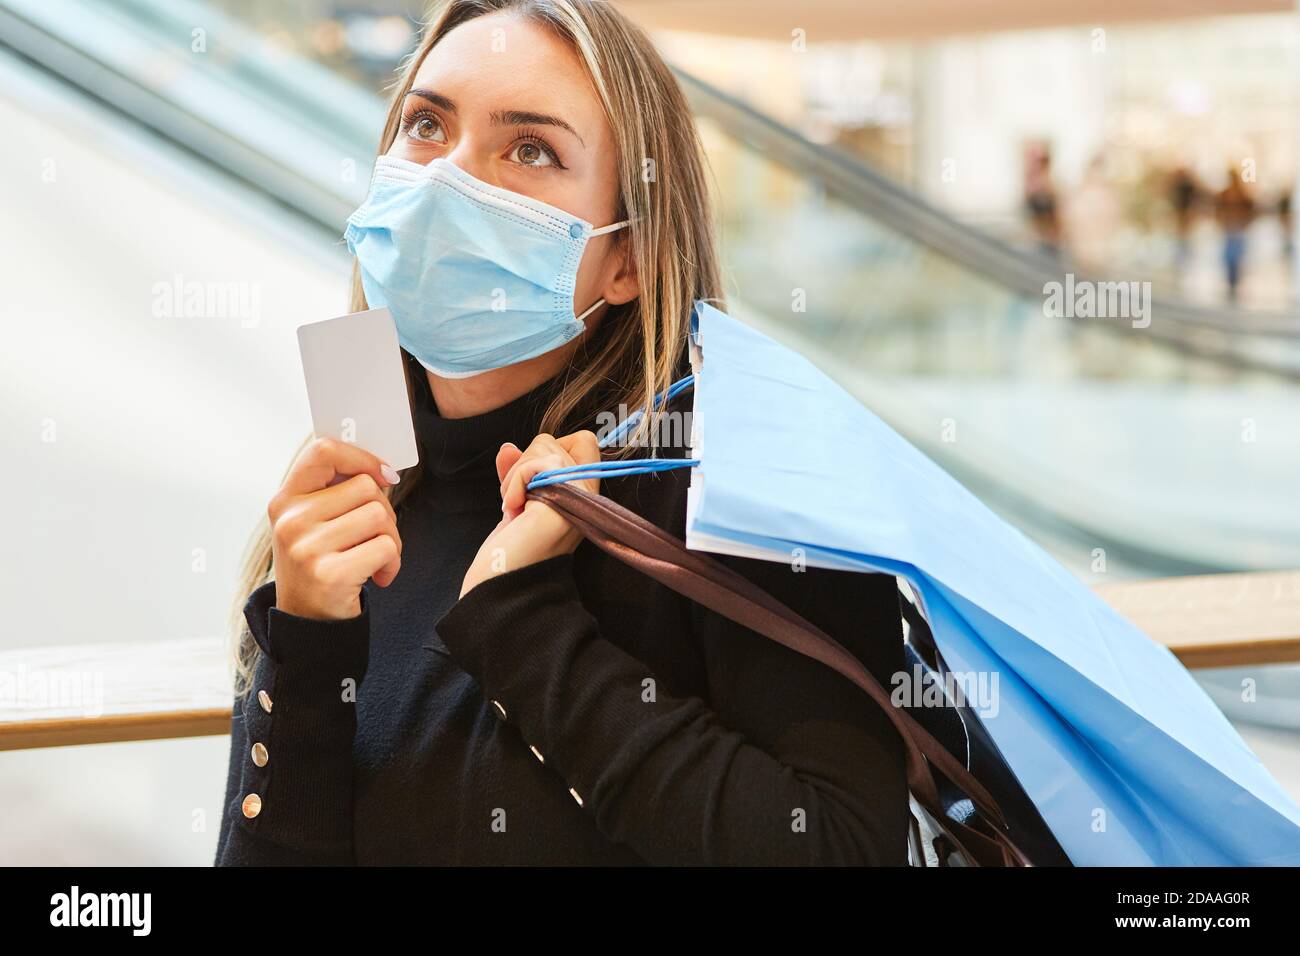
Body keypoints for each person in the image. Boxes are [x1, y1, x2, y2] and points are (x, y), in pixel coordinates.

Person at [215, 0, 909, 866]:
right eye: (426, 125)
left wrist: (520, 617)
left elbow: (845, 849)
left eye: (530, 147)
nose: (447, 179)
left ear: (630, 258)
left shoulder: (733, 482)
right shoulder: (355, 478)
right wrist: (307, 643)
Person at [1215, 167, 1256, 302]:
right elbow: (1218, 209)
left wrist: (1244, 222)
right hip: (1229, 228)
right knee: (1228, 258)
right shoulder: (1225, 193)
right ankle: (1230, 282)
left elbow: (1251, 209)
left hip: (1237, 229)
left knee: (1237, 257)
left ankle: (1236, 282)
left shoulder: (1242, 193)